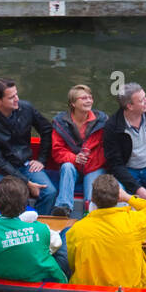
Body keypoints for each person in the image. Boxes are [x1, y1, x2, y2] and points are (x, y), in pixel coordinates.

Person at [0, 78, 60, 216]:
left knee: (50, 192)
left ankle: (36, 225)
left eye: (16, 94)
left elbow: (47, 130)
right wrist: (27, 182)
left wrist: (41, 160)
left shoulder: (26, 108)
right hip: (1, 170)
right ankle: (18, 226)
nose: (17, 99)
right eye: (11, 97)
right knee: (17, 196)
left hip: (26, 163)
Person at [65, 174, 146, 288]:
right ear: (119, 197)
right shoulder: (132, 221)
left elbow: (71, 263)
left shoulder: (76, 230)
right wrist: (129, 197)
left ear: (92, 199)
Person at [0, 176, 67, 284]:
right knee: (65, 233)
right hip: (40, 290)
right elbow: (56, 244)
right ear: (25, 204)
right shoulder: (43, 229)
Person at [51, 84, 109, 216]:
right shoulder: (61, 122)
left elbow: (109, 147)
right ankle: (63, 208)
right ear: (73, 103)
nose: (88, 101)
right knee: (67, 167)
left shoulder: (102, 121)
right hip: (73, 168)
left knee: (90, 197)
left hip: (94, 166)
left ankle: (89, 214)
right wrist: (74, 158)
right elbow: (57, 150)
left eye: (90, 97)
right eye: (83, 98)